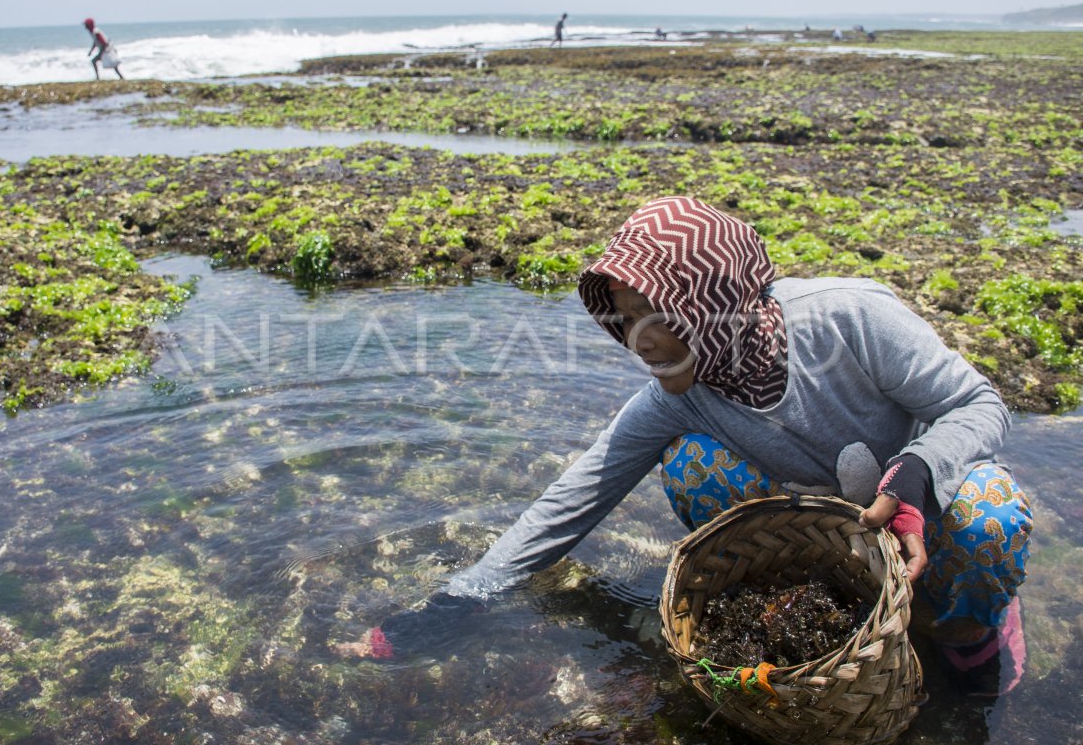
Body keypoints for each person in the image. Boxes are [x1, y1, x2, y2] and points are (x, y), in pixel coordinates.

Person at [337, 197, 1032, 696]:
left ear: (712, 299)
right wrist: (460, 599)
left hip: (918, 506)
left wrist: (915, 473)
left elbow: (979, 404)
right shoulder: (682, 396)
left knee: (990, 519)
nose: (640, 341)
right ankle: (820, 597)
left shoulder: (850, 317)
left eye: (657, 315)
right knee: (694, 466)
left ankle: (967, 632)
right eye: (626, 319)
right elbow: (573, 497)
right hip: (825, 527)